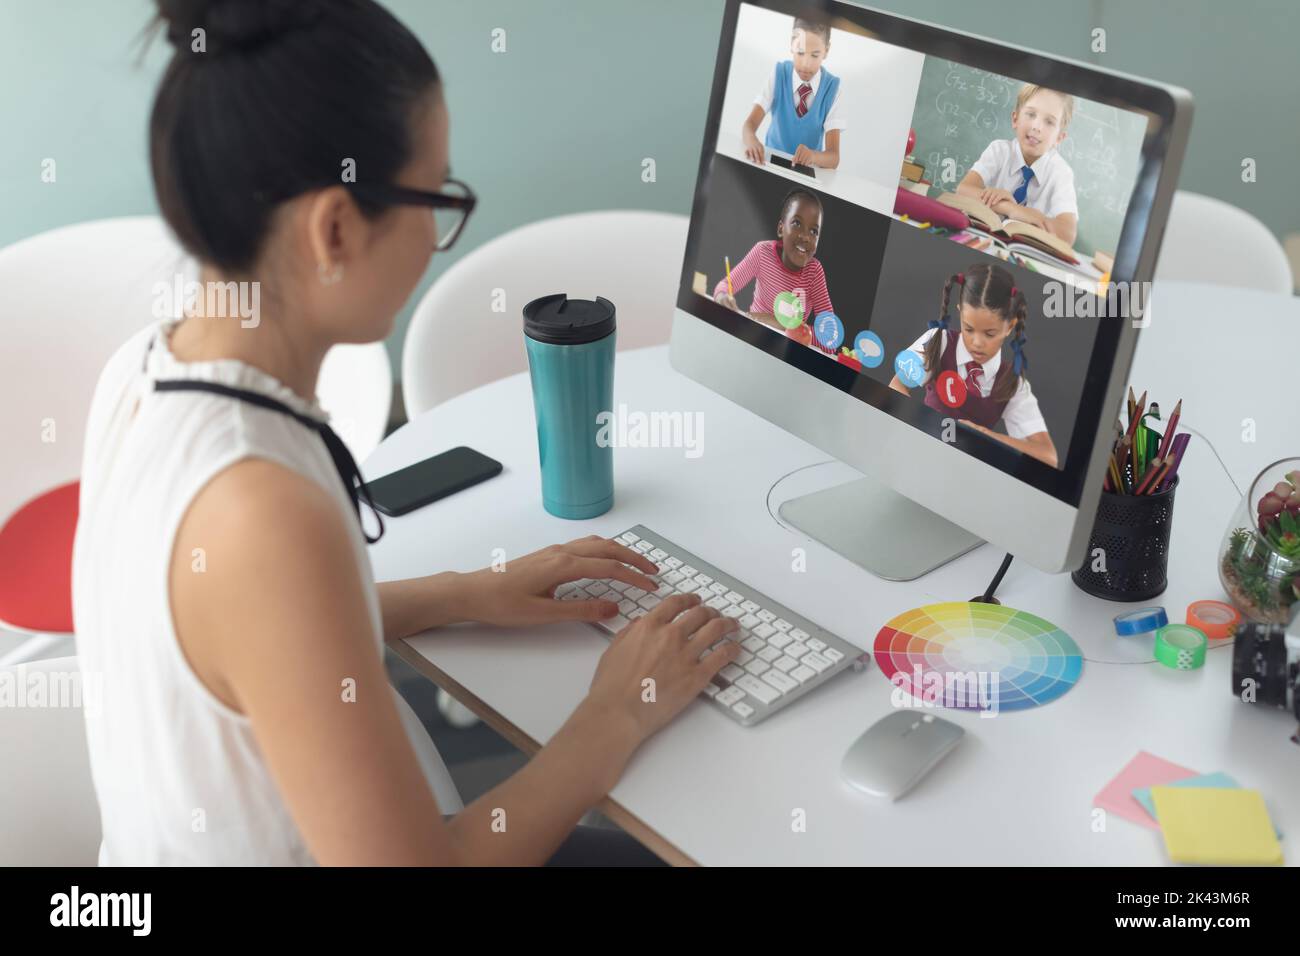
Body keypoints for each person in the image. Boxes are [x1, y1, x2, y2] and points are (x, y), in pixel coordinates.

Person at [71, 0, 740, 866]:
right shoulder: (260, 510)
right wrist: (617, 711)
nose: (436, 239)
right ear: (337, 226)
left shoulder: (140, 372)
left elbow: (252, 635)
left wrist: (465, 592)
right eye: (436, 197)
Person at [888, 263, 1059, 467]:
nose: (977, 343)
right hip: (914, 453)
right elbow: (897, 385)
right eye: (968, 329)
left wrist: (988, 436)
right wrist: (914, 428)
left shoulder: (1012, 383)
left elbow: (1048, 456)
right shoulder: (939, 341)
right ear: (960, 313)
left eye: (989, 334)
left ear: (1010, 326)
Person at [713, 188, 836, 352]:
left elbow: (830, 340)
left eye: (813, 231)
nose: (805, 237)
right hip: (752, 339)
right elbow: (723, 286)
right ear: (780, 229)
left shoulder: (814, 272)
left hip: (787, 354)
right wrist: (722, 298)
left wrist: (777, 322)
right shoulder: (762, 252)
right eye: (797, 223)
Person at [956, 85, 1079, 246]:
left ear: (1059, 138)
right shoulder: (999, 151)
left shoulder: (1061, 172)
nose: (1037, 127)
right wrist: (1012, 209)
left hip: (1029, 253)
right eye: (1031, 114)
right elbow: (963, 190)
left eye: (1049, 122)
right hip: (982, 242)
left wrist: (1030, 214)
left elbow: (1067, 234)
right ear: (1015, 119)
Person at [741, 13, 844, 169]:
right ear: (791, 44)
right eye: (800, 53)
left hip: (806, 171)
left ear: (826, 50)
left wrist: (813, 155)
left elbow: (833, 158)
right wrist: (752, 141)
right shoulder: (779, 74)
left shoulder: (832, 89)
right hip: (769, 164)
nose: (806, 64)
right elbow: (749, 126)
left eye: (815, 55)